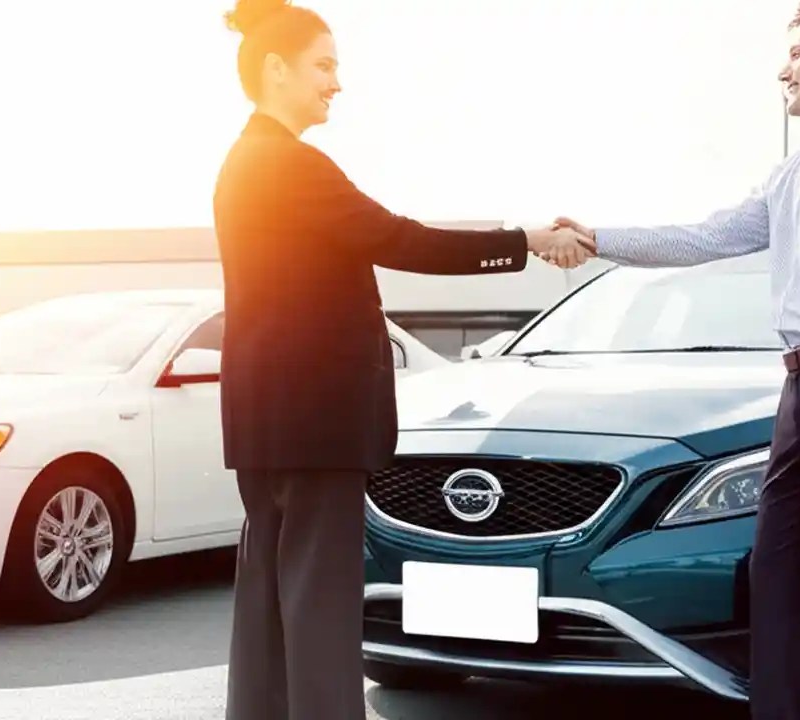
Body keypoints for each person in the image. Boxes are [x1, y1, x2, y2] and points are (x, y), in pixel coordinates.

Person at [550, 2, 800, 718]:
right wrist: (597, 236)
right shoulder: (793, 172)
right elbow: (705, 238)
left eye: (796, 53)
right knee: (779, 573)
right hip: (799, 390)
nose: (782, 69)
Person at [213, 1, 592, 718]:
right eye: (323, 66)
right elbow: (400, 239)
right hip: (316, 427)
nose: (336, 84)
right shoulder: (292, 165)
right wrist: (524, 239)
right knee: (320, 611)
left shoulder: (244, 161)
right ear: (275, 69)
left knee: (271, 604)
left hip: (268, 426)